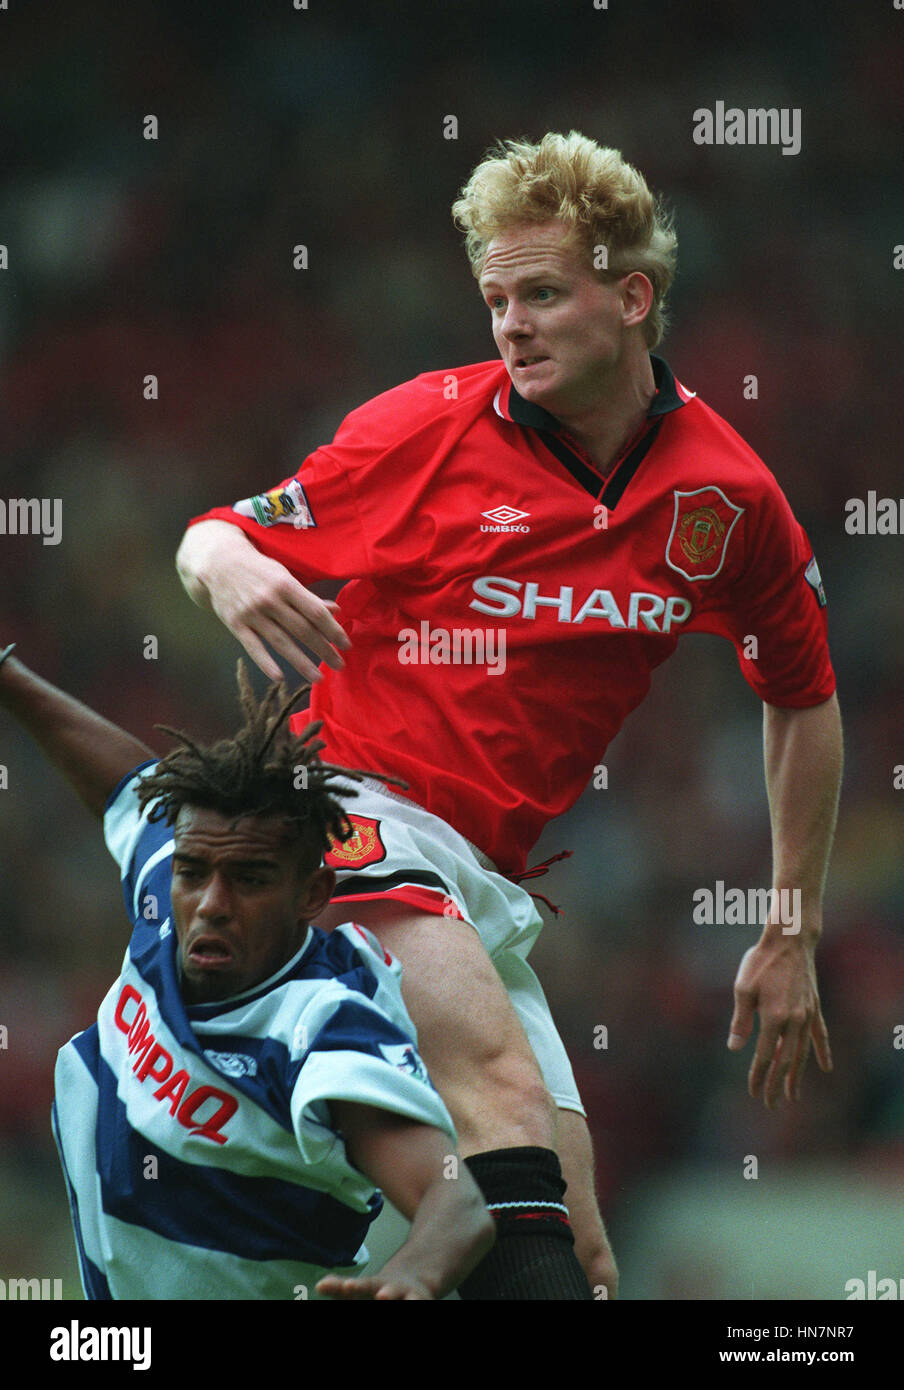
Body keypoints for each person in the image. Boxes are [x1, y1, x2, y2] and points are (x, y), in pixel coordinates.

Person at [175, 131, 843, 1300]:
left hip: (485, 875)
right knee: (504, 1111)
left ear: (632, 298)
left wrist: (788, 924)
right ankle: (429, 1258)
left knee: (581, 1255)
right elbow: (217, 530)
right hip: (349, 817)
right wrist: (223, 561)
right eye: (495, 299)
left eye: (542, 292)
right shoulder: (423, 426)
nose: (511, 325)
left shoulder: (726, 498)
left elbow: (801, 700)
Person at [0, 642, 494, 1300]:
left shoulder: (324, 1023)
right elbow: (128, 787)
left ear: (312, 894)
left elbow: (457, 1200)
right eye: (193, 873)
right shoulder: (173, 894)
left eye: (251, 880)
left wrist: (410, 1275)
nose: (211, 904)